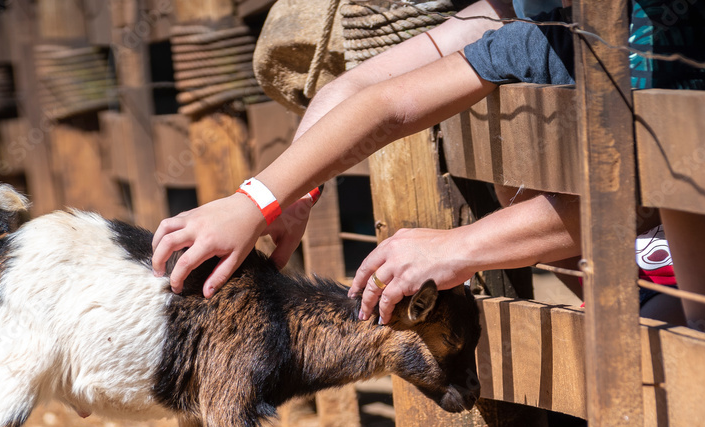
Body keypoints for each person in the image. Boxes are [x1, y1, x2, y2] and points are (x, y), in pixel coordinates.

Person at [150, 0, 582, 326]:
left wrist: (460, 246)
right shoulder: (519, 16)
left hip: (639, 262)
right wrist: (285, 196)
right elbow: (366, 89)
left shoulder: (593, 36)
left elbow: (634, 204)